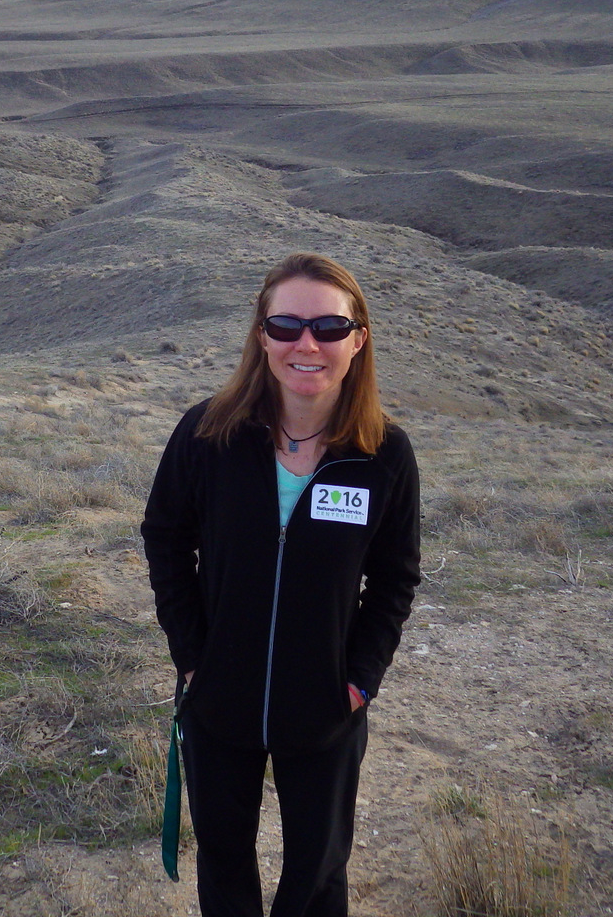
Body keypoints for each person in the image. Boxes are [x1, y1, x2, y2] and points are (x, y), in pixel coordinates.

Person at [141, 252, 421, 917]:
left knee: (317, 876)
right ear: (261, 335)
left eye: (328, 328)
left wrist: (358, 678)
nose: (306, 344)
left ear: (358, 341)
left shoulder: (383, 455)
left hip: (325, 706)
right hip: (219, 697)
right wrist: (192, 654)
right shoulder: (208, 435)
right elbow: (166, 537)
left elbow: (394, 579)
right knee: (225, 864)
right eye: (287, 324)